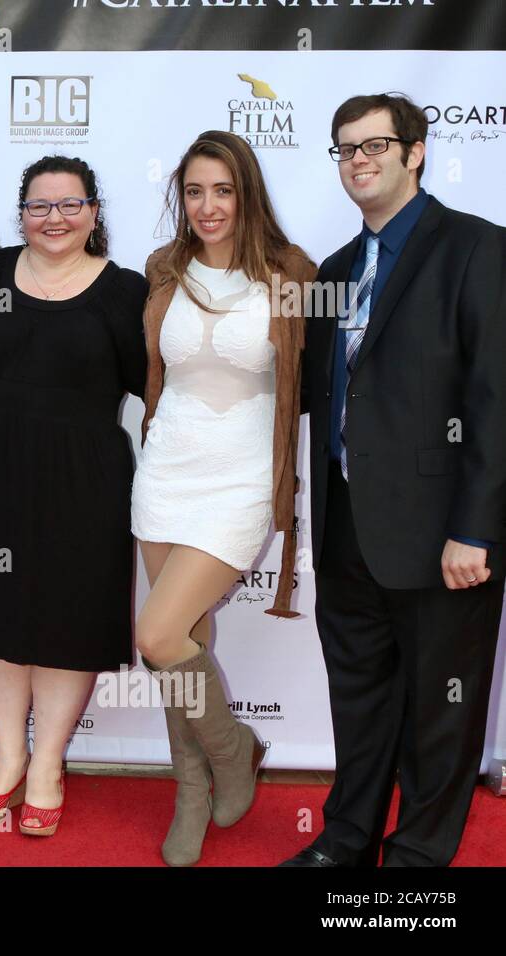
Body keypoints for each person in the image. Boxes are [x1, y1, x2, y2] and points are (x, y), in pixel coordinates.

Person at [283, 94, 505, 868]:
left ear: (416, 151)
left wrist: (476, 528)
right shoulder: (337, 270)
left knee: (442, 711)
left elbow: (496, 397)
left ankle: (415, 861)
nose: (358, 160)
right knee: (361, 701)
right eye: (344, 149)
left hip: (446, 536)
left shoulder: (479, 249)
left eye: (375, 145)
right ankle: (345, 841)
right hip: (348, 531)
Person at [0, 156, 147, 837]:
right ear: (19, 213)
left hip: (86, 479)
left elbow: (158, 388)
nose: (54, 217)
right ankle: (7, 758)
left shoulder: (125, 293)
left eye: (70, 203)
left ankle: (49, 763)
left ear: (94, 211)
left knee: (66, 621)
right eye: (39, 205)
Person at [131, 130, 316, 865]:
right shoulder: (163, 268)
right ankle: (192, 789)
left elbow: (314, 379)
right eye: (195, 191)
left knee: (156, 636)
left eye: (224, 191)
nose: (208, 207)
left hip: (239, 480)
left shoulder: (290, 273)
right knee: (186, 645)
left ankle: (234, 751)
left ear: (247, 195)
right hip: (166, 470)